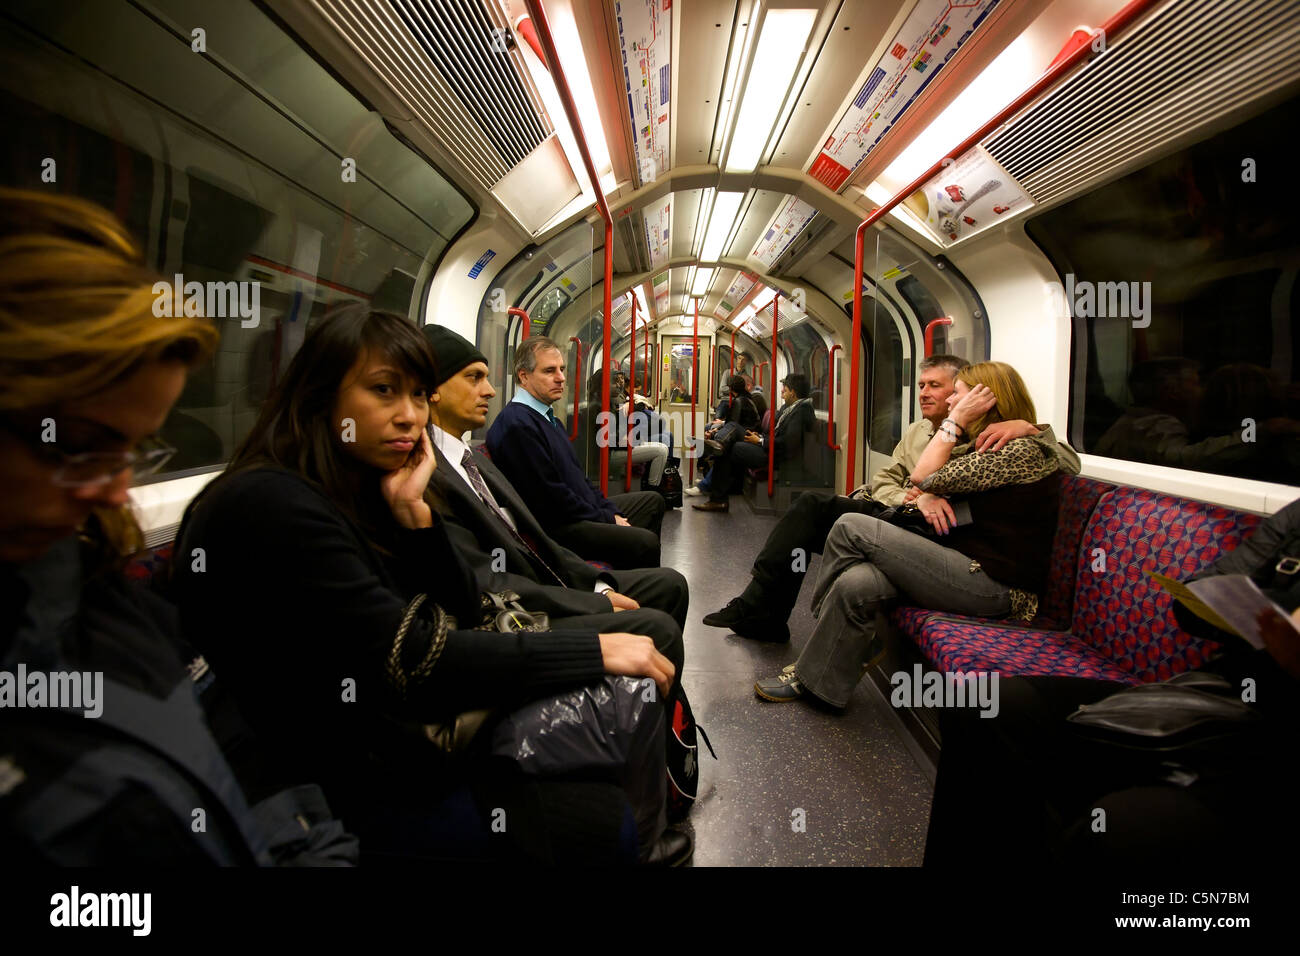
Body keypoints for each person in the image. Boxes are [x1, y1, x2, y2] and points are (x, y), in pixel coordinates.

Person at [172, 307, 687, 865]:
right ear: (321, 396)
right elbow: (417, 660)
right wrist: (591, 647)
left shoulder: (366, 488)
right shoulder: (272, 503)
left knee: (612, 742)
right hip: (331, 779)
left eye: (418, 396)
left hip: (393, 733)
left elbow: (460, 605)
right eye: (383, 391)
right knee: (601, 823)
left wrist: (418, 520)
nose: (408, 416)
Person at [0, 188, 356, 865]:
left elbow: (239, 751)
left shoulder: (95, 592)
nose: (114, 489)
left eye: (132, 451)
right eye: (75, 443)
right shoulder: (262, 503)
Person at [925, 497, 1300, 867]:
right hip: (1223, 697)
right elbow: (1196, 600)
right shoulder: (1295, 520)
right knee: (981, 703)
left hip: (1276, 737)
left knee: (1124, 827)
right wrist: (1273, 616)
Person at [753, 361, 1064, 707]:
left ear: (984, 404)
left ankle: (818, 627)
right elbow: (928, 480)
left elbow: (924, 476)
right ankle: (821, 685)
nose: (949, 405)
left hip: (995, 585)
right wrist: (929, 490)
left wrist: (965, 428)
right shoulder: (982, 444)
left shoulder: (1011, 450)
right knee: (857, 582)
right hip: (959, 561)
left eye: (957, 400)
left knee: (849, 527)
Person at [704, 355, 1079, 641]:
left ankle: (766, 611)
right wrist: (911, 499)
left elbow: (1062, 460)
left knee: (825, 516)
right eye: (921, 386)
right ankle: (761, 608)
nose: (926, 394)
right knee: (810, 510)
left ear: (965, 397)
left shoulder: (986, 437)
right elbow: (888, 478)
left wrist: (1034, 429)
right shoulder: (917, 431)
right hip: (900, 510)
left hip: (930, 534)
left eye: (937, 386)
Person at [421, 324, 687, 665]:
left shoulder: (473, 456)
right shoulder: (449, 465)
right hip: (533, 576)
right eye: (474, 378)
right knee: (655, 598)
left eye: (562, 370)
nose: (489, 391)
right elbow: (544, 511)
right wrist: (595, 593)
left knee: (669, 580)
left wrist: (596, 573)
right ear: (432, 391)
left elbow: (576, 481)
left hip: (543, 566)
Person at [487, 336, 666, 570]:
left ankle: (629, 569)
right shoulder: (518, 425)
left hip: (577, 511)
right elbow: (552, 499)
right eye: (549, 371)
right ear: (524, 376)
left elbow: (579, 479)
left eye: (561, 369)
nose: (561, 378)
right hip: (559, 528)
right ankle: (634, 588)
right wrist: (608, 519)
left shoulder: (550, 419)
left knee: (652, 502)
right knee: (646, 542)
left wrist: (609, 512)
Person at [691, 374, 817, 512]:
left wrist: (761, 440)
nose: (782, 391)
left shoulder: (801, 411)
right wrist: (760, 436)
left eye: (785, 389)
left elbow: (788, 444)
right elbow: (778, 436)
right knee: (734, 428)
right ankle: (718, 444)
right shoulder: (791, 408)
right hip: (770, 447)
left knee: (730, 448)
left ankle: (718, 499)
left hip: (775, 456)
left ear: (793, 392)